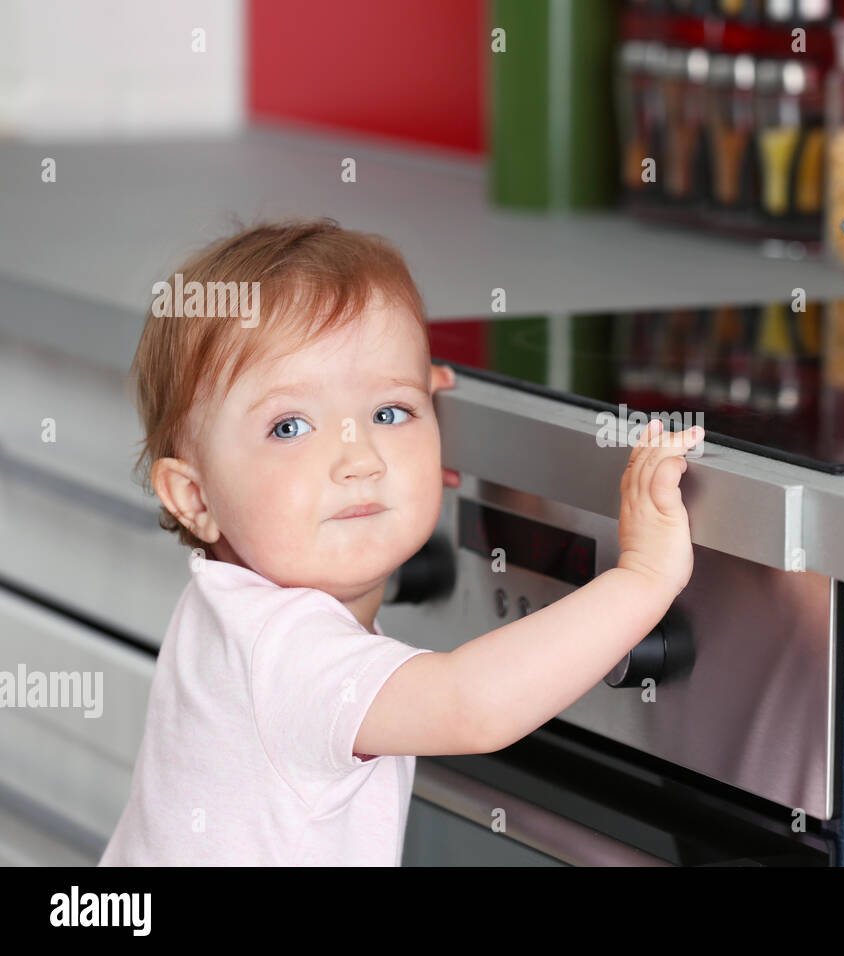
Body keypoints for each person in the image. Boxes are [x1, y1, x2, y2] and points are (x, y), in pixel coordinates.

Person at [98, 218, 704, 865]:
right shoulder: (285, 653)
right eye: (290, 426)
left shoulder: (231, 608)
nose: (361, 459)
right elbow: (472, 707)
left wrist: (415, 433)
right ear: (195, 497)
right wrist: (641, 578)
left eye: (389, 415)